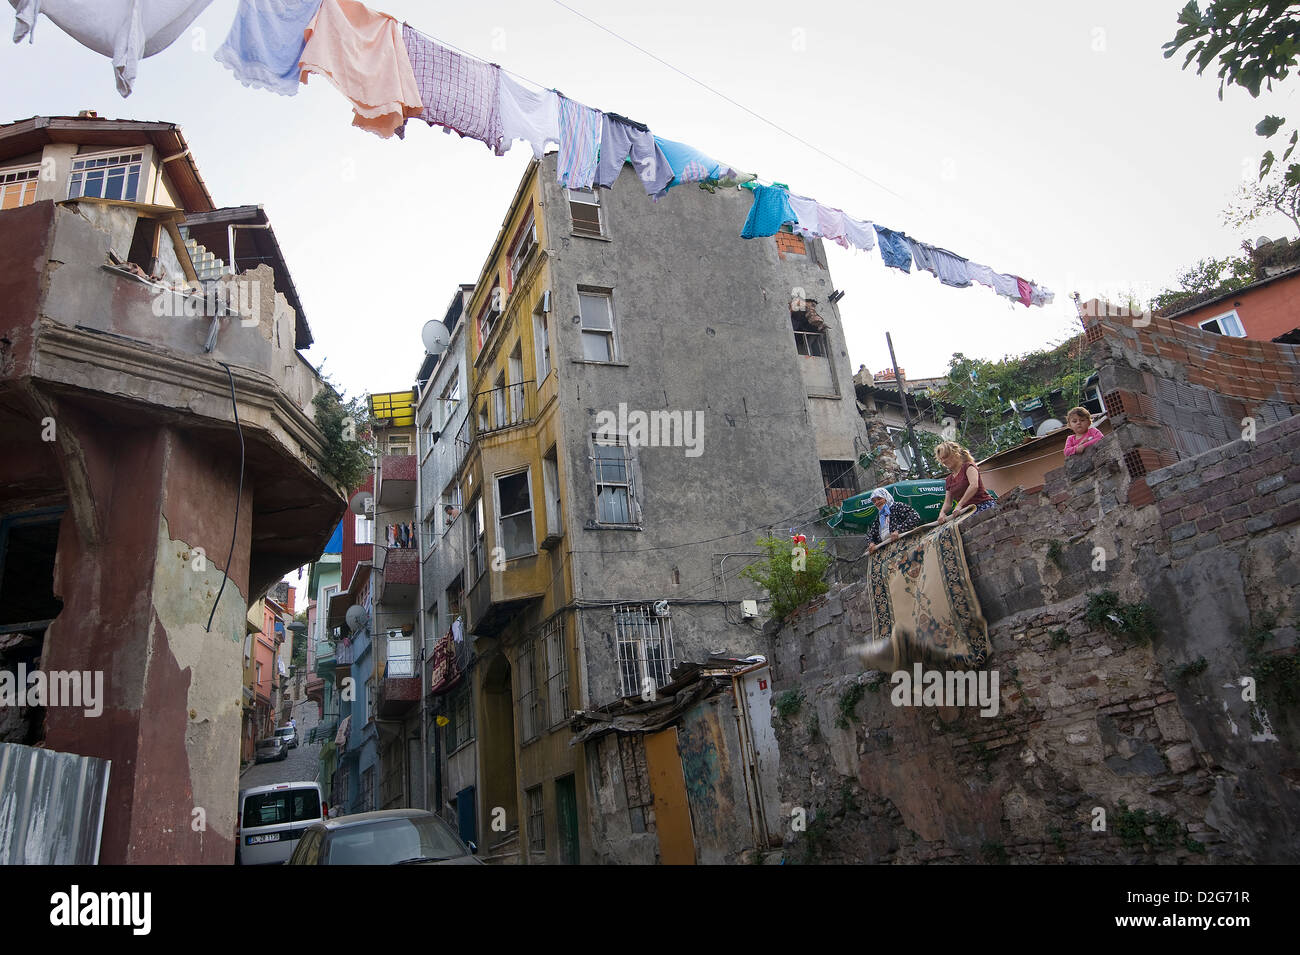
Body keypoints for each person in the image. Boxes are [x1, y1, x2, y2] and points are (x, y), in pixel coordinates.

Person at [935, 441, 995, 522]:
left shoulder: (968, 467)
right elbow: (948, 503)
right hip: (967, 512)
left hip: (983, 507)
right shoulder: (949, 479)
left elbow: (974, 486)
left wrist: (959, 505)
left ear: (955, 454)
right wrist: (942, 513)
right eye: (941, 459)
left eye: (945, 457)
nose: (943, 461)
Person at [866, 487, 922, 554]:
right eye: (874, 501)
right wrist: (871, 543)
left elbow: (915, 516)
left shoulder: (897, 507)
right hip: (889, 553)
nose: (877, 502)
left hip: (906, 548)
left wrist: (898, 531)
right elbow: (870, 535)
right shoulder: (879, 517)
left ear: (886, 497)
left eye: (879, 499)